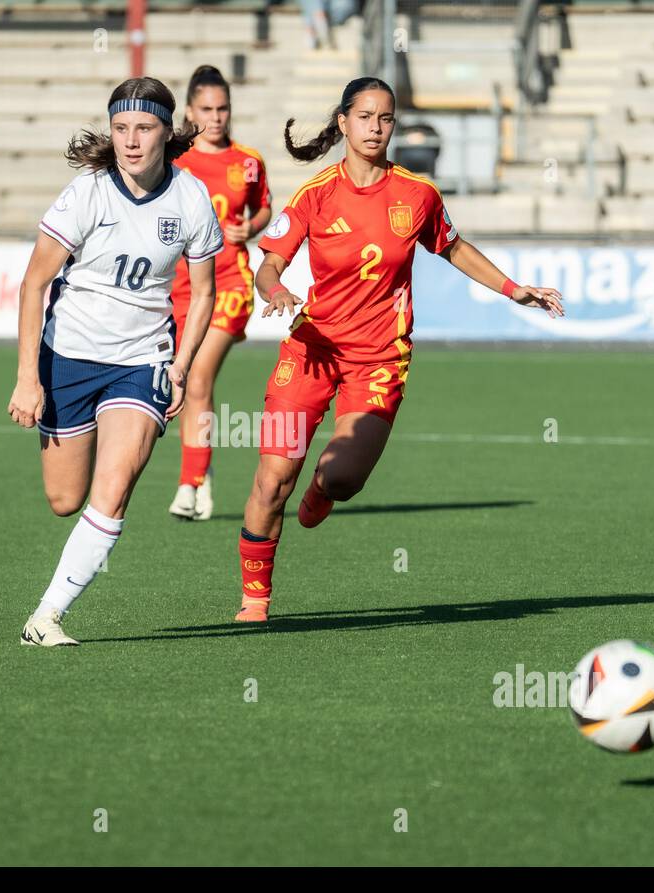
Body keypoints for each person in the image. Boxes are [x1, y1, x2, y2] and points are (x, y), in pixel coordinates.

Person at [233, 77, 563, 624]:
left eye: (385, 119)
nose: (375, 128)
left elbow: (453, 248)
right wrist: (277, 290)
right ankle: (255, 599)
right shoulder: (315, 195)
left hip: (380, 359)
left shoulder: (417, 194)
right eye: (364, 117)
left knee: (342, 478)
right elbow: (267, 265)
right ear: (342, 122)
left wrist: (514, 289)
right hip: (310, 352)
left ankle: (323, 488)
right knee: (271, 480)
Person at [8, 77, 223, 647]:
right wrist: (28, 377)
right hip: (69, 358)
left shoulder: (191, 197)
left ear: (167, 132)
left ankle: (45, 617)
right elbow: (34, 284)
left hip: (142, 360)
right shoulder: (87, 193)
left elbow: (204, 292)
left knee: (117, 481)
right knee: (64, 500)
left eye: (144, 128)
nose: (130, 141)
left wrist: (179, 367)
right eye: (121, 128)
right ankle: (51, 605)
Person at [167, 65, 273, 521]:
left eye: (223, 107)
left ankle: (188, 485)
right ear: (190, 110)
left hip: (230, 284)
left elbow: (265, 206)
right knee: (180, 387)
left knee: (196, 377)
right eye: (206, 108)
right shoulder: (172, 162)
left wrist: (249, 226)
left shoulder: (247, 161)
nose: (215, 116)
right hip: (178, 290)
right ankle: (201, 465)